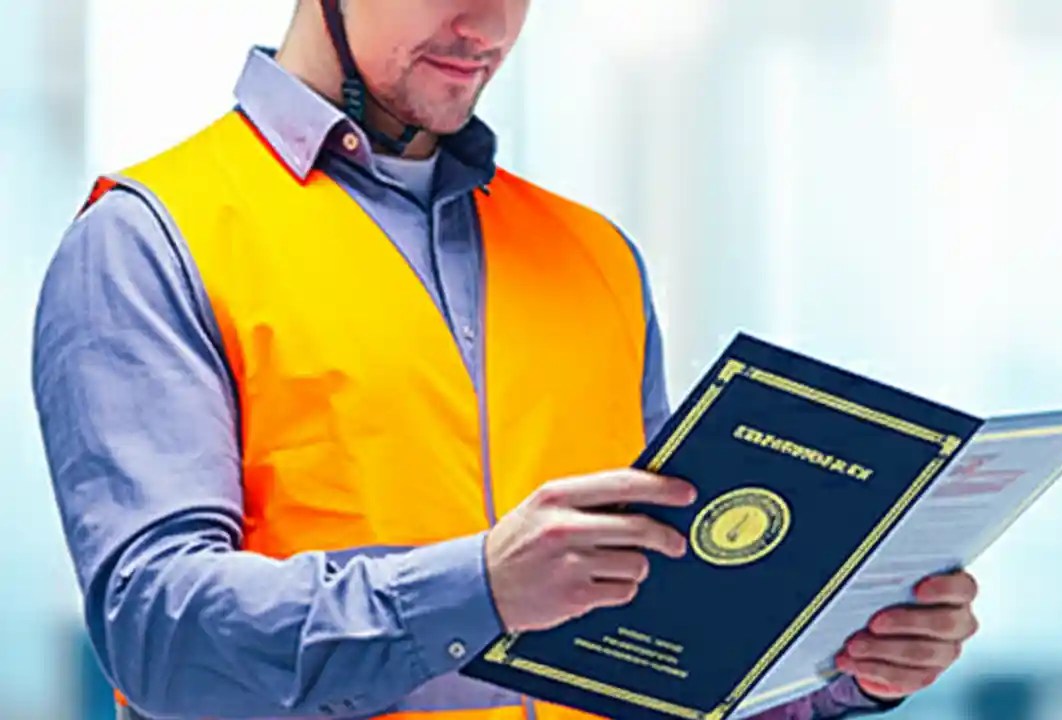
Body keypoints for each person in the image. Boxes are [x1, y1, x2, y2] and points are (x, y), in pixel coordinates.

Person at [31, 2, 980, 719]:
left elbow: (664, 649)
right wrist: (480, 588)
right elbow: (156, 632)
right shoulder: (152, 241)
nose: (489, 24)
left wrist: (841, 675)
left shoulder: (593, 257)